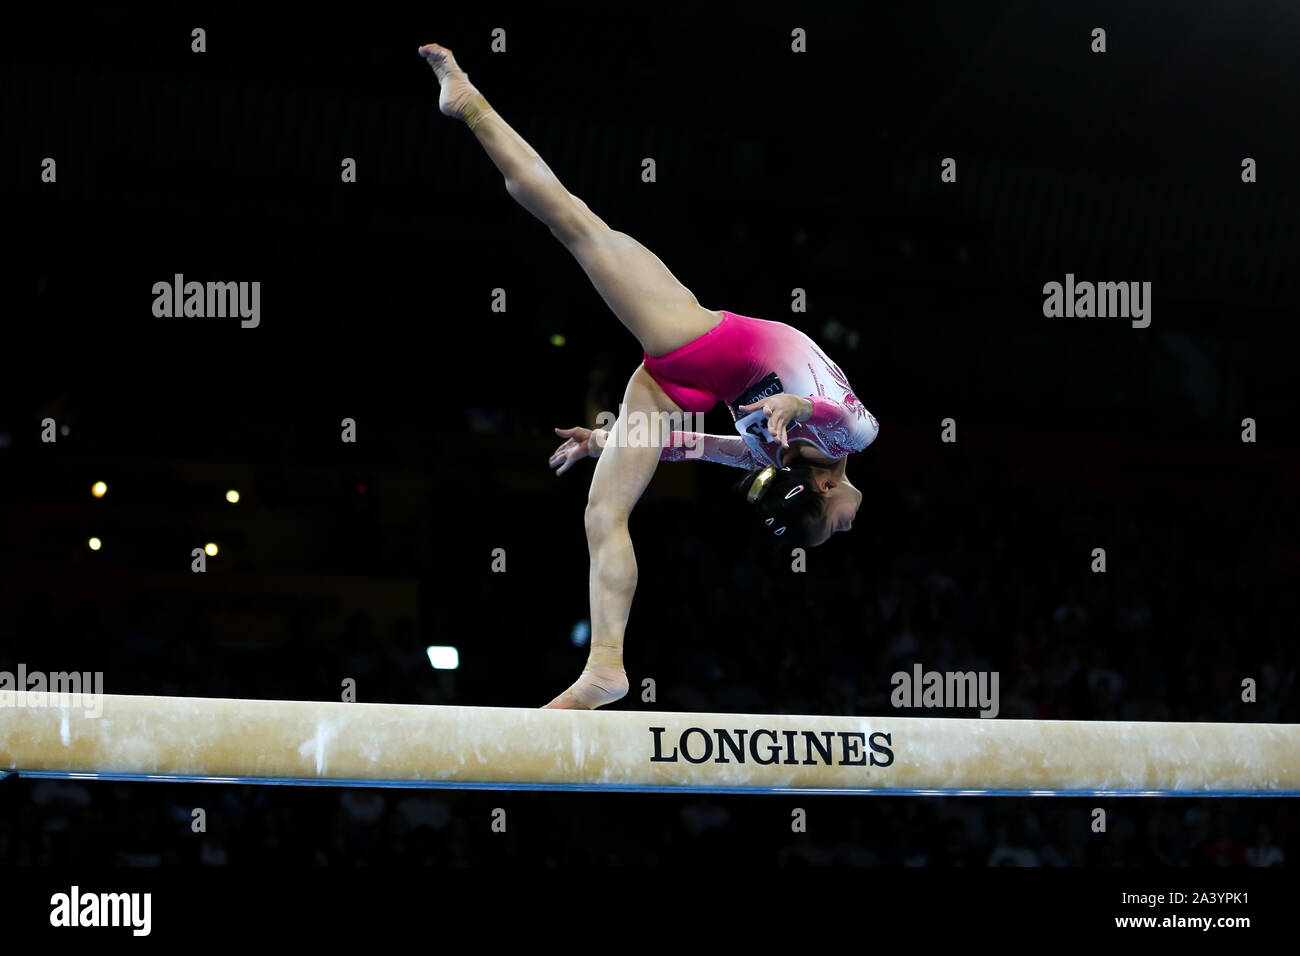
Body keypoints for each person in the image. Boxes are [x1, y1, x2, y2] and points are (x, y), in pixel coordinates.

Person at [420, 44, 878, 709]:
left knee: (603, 508)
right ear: (827, 483)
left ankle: (606, 665)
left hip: (674, 370)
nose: (847, 527)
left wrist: (609, 441)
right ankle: (468, 104)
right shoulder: (849, 439)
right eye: (835, 527)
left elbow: (695, 445)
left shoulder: (767, 453)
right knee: (575, 223)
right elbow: (841, 413)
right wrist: (791, 401)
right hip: (693, 337)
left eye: (833, 527)